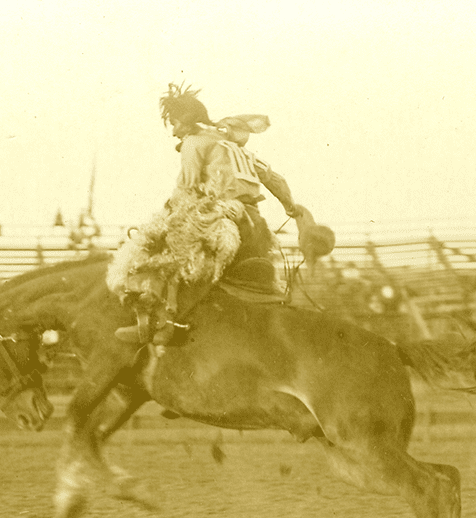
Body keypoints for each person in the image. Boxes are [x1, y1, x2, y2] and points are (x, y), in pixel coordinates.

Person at [109, 83, 332, 345]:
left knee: (150, 247)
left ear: (186, 120)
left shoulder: (194, 143)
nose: (174, 132)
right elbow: (277, 181)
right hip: (256, 227)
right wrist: (291, 209)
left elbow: (187, 190)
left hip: (222, 223)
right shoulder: (238, 147)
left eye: (175, 123)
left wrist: (165, 217)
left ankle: (159, 325)